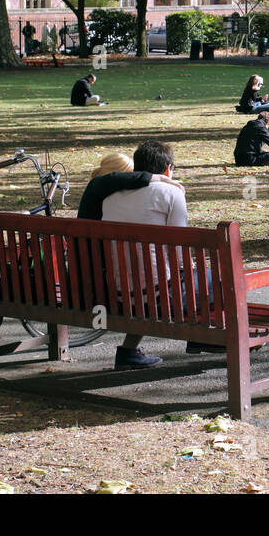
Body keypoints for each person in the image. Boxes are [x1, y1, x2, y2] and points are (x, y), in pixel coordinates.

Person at [98, 141, 189, 370]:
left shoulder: (111, 198)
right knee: (213, 281)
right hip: (157, 294)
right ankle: (212, 339)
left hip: (117, 292)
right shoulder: (172, 192)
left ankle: (128, 351)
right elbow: (180, 251)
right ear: (168, 168)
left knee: (147, 281)